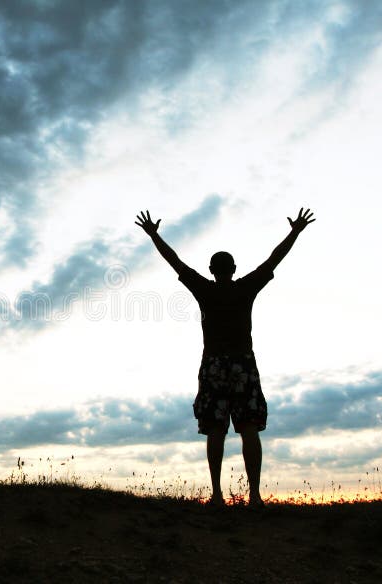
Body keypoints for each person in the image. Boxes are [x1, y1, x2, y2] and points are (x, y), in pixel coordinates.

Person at [135, 207, 315, 507]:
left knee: (216, 429)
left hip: (215, 365)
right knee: (248, 428)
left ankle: (217, 495)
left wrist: (155, 235)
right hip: (243, 364)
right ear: (233, 269)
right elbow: (274, 258)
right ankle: (254, 495)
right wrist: (294, 232)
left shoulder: (204, 289)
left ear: (211, 269)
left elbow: (175, 262)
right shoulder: (245, 287)